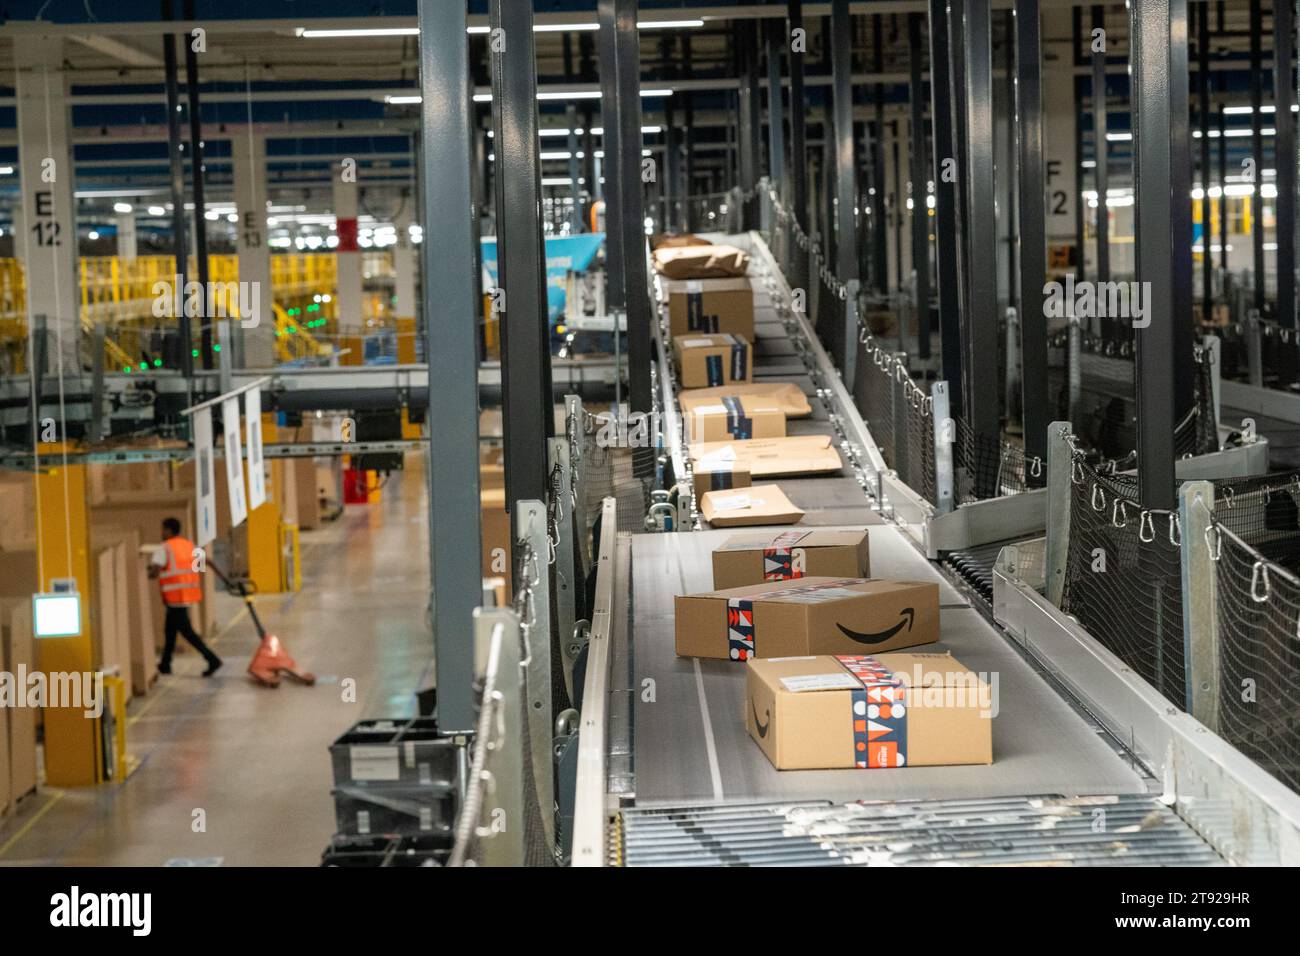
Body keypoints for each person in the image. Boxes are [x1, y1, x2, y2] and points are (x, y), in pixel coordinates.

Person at [148, 517, 223, 677]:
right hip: (187, 595)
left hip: (174, 597)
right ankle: (165, 664)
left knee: (187, 632)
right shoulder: (188, 545)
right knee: (170, 631)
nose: (161, 533)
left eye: (163, 529)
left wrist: (147, 572)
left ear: (169, 530)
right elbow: (207, 561)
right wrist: (225, 579)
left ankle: (212, 659)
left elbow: (155, 572)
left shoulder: (165, 548)